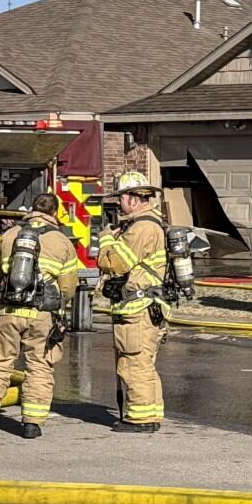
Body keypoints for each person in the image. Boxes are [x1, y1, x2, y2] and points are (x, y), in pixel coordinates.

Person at [0, 194, 79, 438]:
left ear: (30, 210)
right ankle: (31, 425)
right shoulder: (62, 241)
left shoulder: (9, 235)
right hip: (42, 314)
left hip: (8, 310)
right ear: (55, 213)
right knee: (39, 366)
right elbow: (69, 286)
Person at [96, 171, 170, 433]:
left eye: (122, 198)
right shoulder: (149, 224)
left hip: (137, 309)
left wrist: (105, 239)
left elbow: (113, 263)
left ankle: (139, 419)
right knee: (143, 363)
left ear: (134, 199)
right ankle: (149, 415)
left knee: (133, 364)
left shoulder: (142, 228)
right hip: (145, 307)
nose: (119, 204)